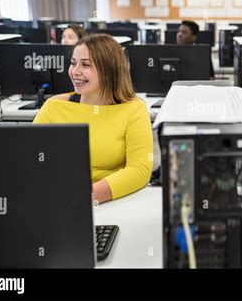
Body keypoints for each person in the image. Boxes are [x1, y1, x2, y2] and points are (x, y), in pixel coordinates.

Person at [33, 34, 153, 203]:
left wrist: (84, 196)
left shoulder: (134, 109)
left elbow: (139, 169)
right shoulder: (54, 106)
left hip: (112, 200)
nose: (75, 71)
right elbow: (29, 160)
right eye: (73, 63)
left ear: (108, 71)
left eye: (85, 64)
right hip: (56, 199)